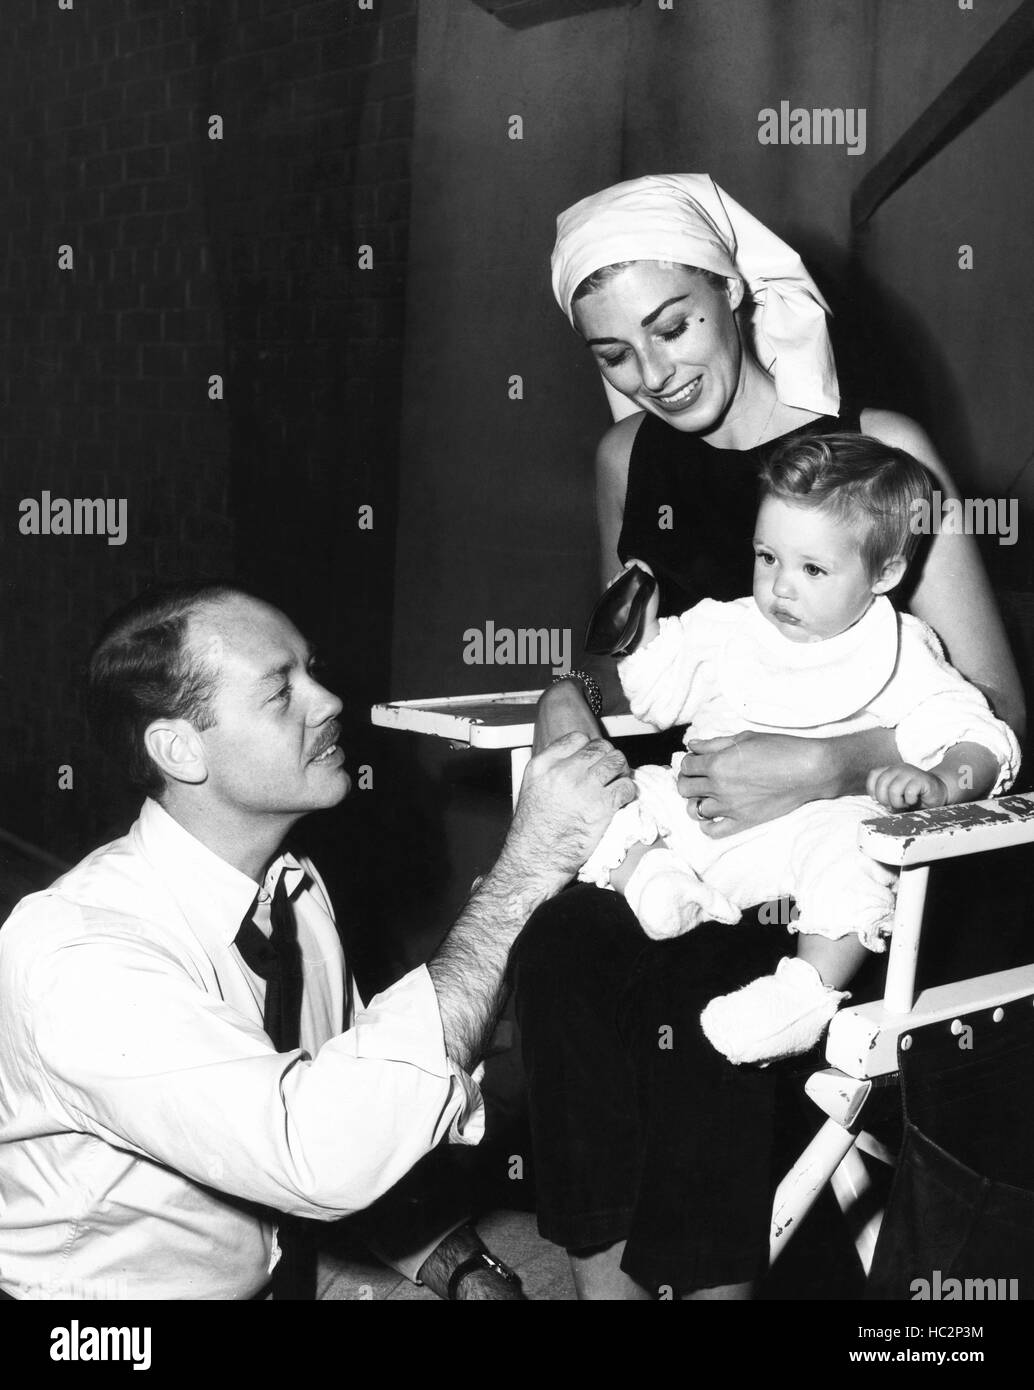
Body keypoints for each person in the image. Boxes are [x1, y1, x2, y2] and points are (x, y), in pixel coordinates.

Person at [511, 173, 1025, 1300]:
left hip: (863, 853)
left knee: (701, 995)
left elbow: (998, 709)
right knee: (557, 948)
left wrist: (825, 765)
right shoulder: (624, 460)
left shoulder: (873, 450)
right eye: (614, 354)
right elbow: (624, 661)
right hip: (702, 837)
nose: (653, 373)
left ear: (734, 293)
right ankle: (601, 1288)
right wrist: (568, 696)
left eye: (673, 326)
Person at [0, 582, 634, 1301]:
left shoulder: (292, 890)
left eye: (312, 670)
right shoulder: (80, 959)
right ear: (179, 749)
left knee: (579, 1267)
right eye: (280, 691)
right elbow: (320, 1152)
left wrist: (462, 1269)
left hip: (293, 1254)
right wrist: (525, 871)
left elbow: (362, 1106)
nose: (328, 700)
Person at [577, 434, 1019, 1065]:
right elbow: (656, 697)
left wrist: (946, 779)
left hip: (815, 833)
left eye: (812, 569)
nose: (781, 587)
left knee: (858, 851)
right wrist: (643, 641)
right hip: (701, 817)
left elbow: (978, 730)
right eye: (767, 557)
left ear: (885, 574)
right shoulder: (730, 626)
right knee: (612, 796)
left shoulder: (900, 650)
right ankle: (653, 879)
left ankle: (803, 993)